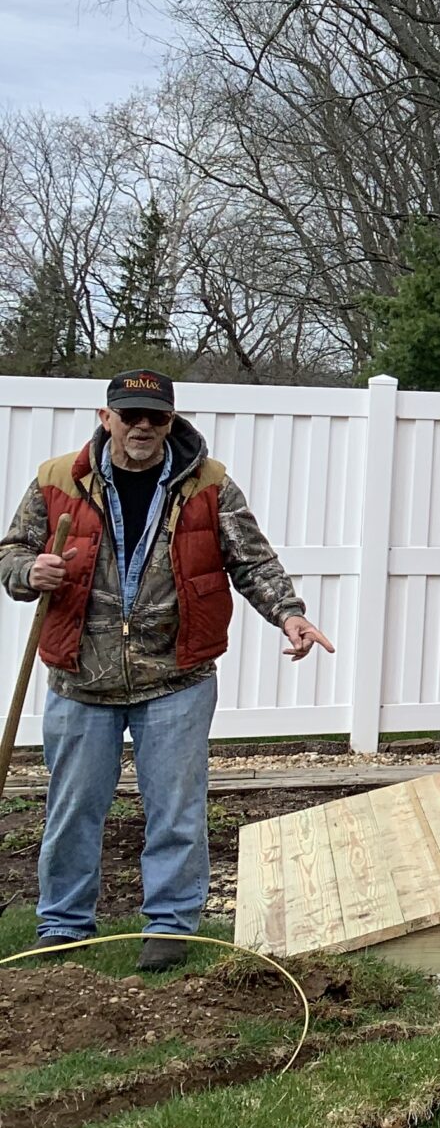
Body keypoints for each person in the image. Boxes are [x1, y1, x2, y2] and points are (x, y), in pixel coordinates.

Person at [0, 369, 332, 969]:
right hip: (80, 676)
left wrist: (289, 614)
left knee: (177, 811)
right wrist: (29, 572)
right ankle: (63, 926)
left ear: (170, 421)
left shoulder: (208, 483)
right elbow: (12, 552)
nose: (143, 427)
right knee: (72, 810)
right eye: (131, 415)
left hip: (177, 676)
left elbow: (252, 561)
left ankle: (170, 926)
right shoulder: (58, 480)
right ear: (106, 419)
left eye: (156, 416)